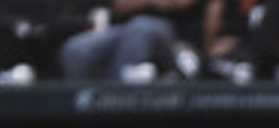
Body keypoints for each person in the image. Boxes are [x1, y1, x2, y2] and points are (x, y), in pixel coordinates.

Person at [59, 0, 206, 81]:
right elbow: (118, 5)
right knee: (76, 49)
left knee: (140, 30)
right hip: (122, 29)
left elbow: (181, 3)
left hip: (170, 33)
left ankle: (116, 103)